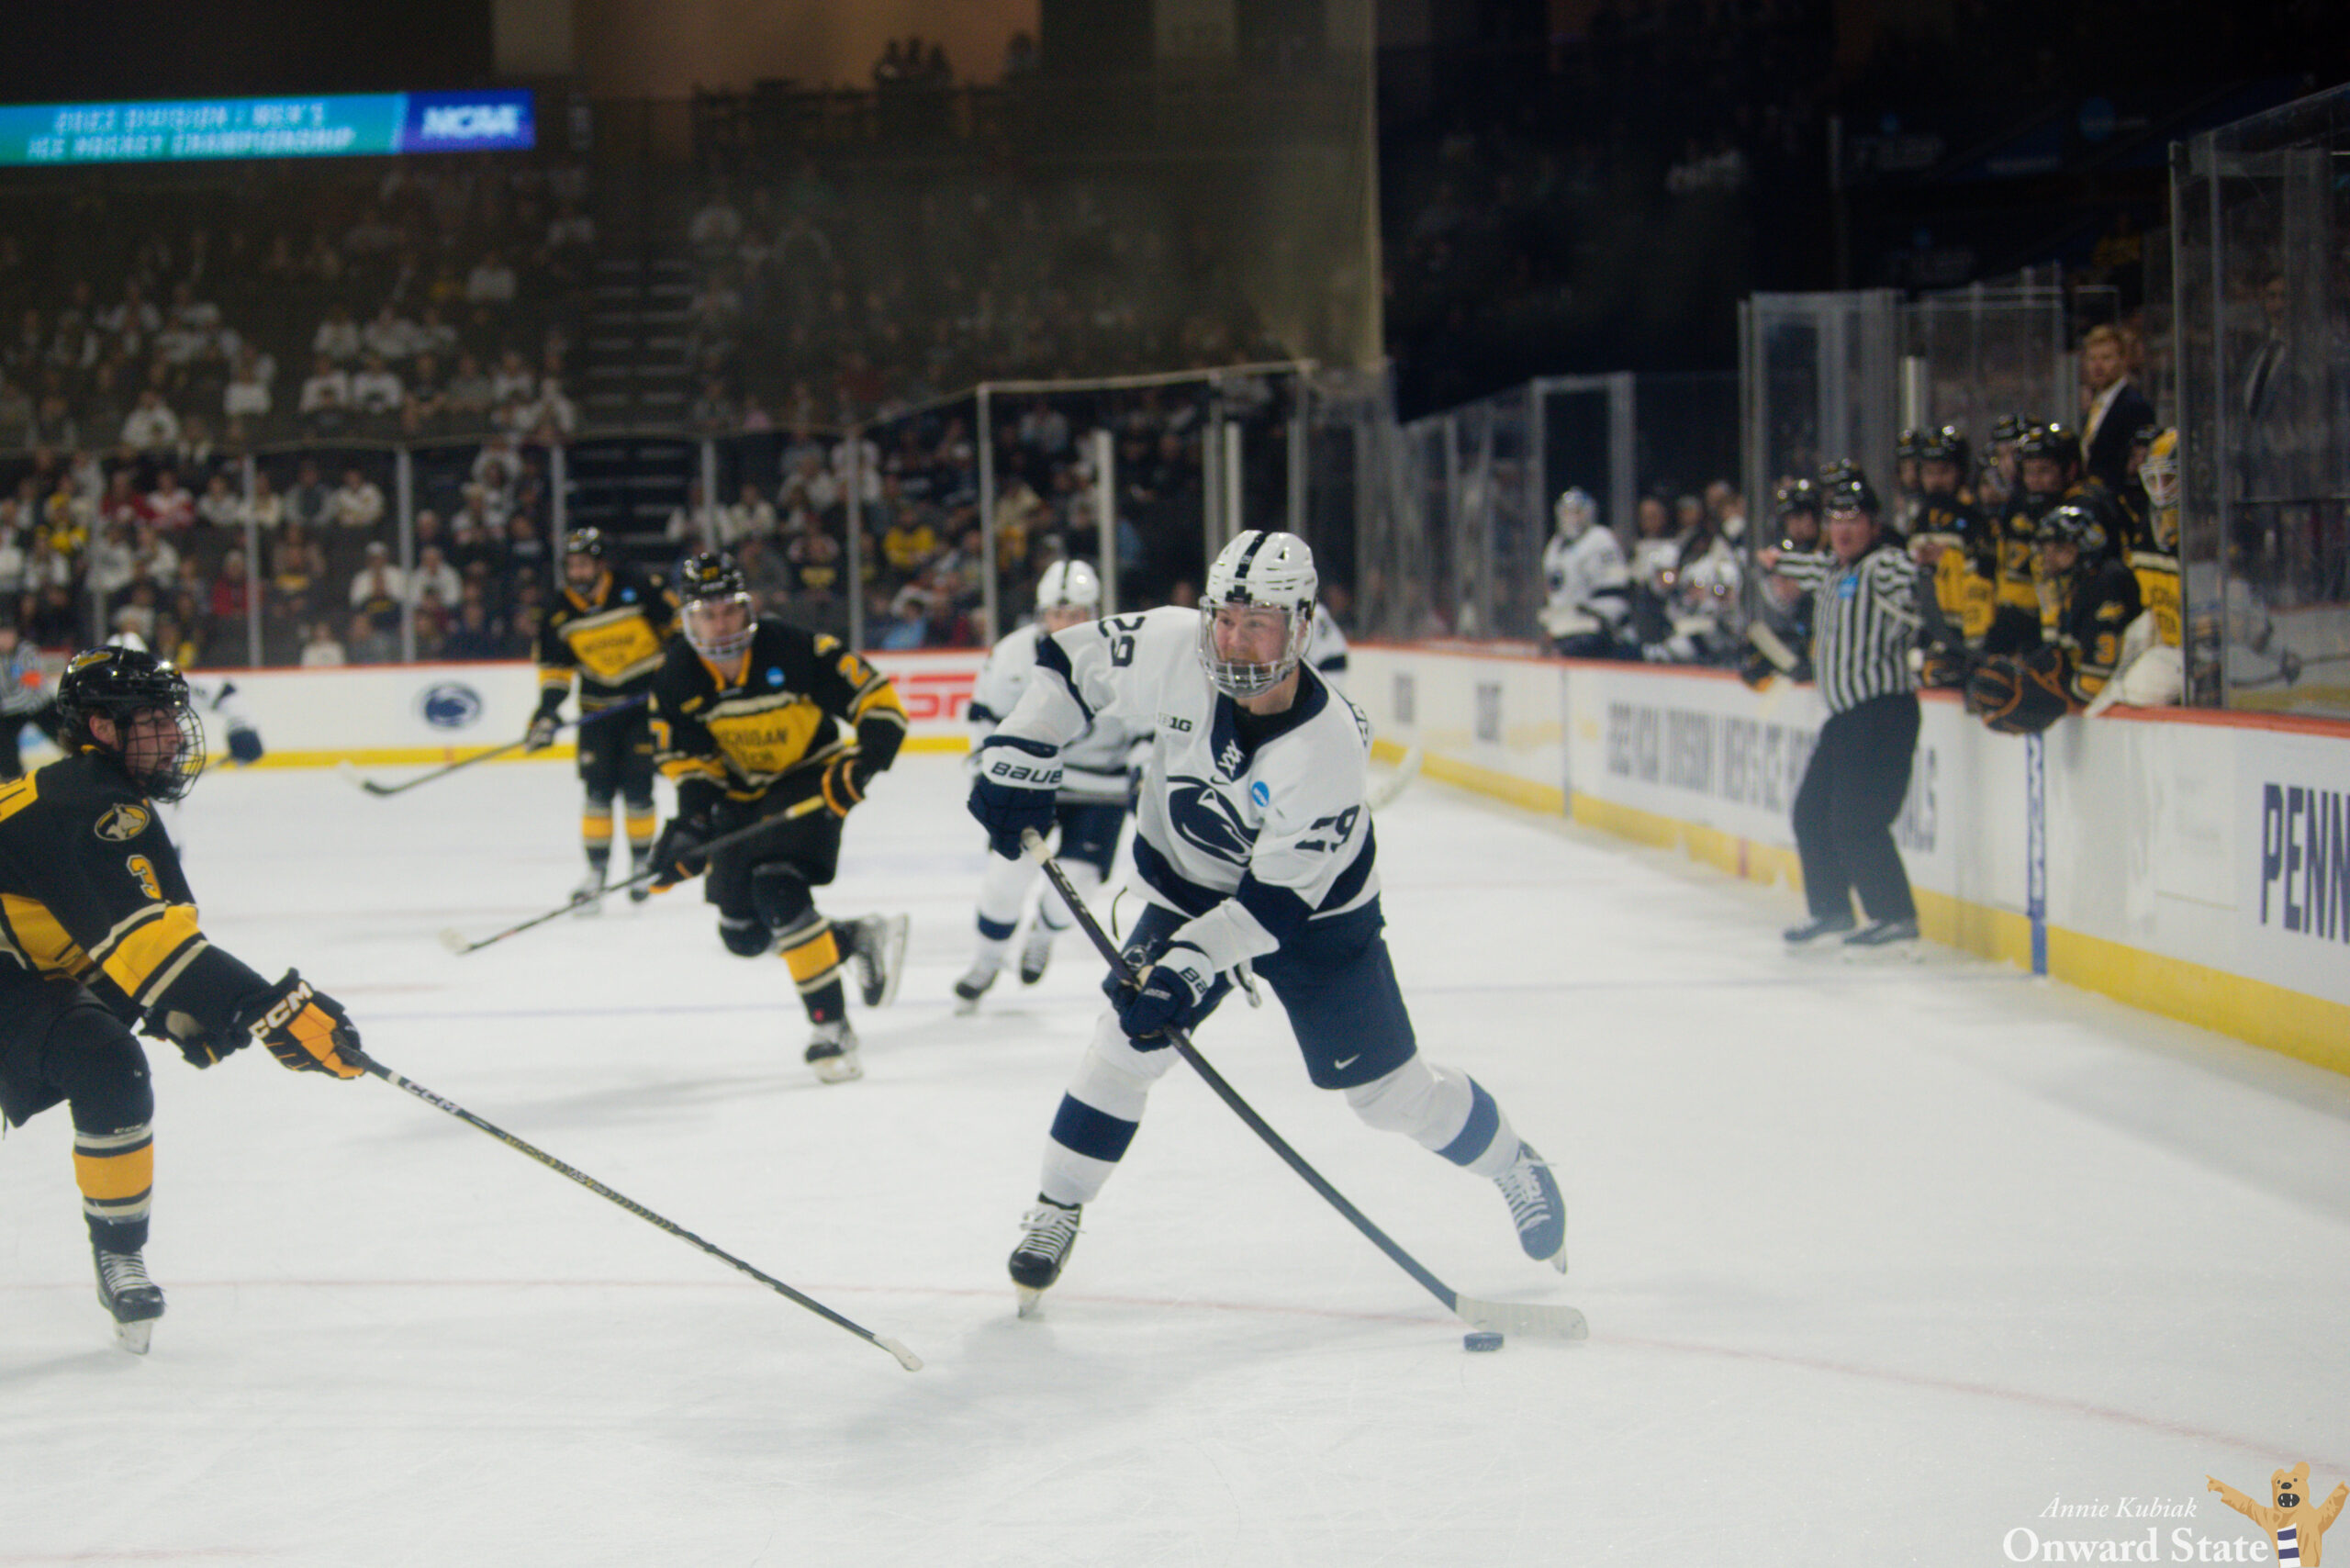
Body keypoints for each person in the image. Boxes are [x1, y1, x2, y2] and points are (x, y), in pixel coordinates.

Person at [968, 530, 1569, 1313]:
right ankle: (1057, 1208)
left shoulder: (1327, 746)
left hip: (1320, 919)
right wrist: (1023, 744)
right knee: (1121, 1049)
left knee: (1390, 1098)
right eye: (1226, 618)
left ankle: (1513, 1162)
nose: (1234, 640)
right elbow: (1066, 665)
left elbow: (1274, 908)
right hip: (1188, 887)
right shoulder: (1178, 644)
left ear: (1302, 627)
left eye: (1260, 623)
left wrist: (1185, 969)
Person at [0, 645, 364, 1353]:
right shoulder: (92, 803)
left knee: (107, 1060)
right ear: (103, 729)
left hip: (19, 975)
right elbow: (144, 942)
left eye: (174, 715)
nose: (175, 732)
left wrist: (173, 1004)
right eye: (156, 719)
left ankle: (118, 1255)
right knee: (102, 1053)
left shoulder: (98, 793)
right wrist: (268, 1004)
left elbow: (114, 942)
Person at [647, 552, 911, 1084]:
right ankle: (848, 939)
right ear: (688, 618)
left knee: (777, 889)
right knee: (742, 934)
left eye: (728, 611)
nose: (720, 624)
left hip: (811, 778)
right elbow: (690, 762)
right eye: (707, 614)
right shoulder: (677, 674)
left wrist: (862, 765)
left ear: (746, 608)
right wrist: (692, 826)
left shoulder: (792, 647)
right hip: (742, 792)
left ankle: (831, 1029)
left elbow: (877, 701)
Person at [955, 561, 1136, 1011]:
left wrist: (1141, 772)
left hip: (1101, 788)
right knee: (1005, 879)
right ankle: (987, 960)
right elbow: (985, 717)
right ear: (1042, 614)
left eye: (1078, 614)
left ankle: (1043, 934)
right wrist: (990, 768)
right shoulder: (1013, 654)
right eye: (1060, 614)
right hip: (1031, 784)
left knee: (1076, 886)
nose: (1069, 624)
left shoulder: (1128, 654)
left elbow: (1145, 727)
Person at [1758, 476, 1925, 954]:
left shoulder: (1881, 566)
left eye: (1854, 521)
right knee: (1811, 814)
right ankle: (1830, 910)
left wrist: (1925, 565)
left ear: (1874, 526)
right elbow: (1805, 568)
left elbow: (1908, 575)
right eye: (1836, 521)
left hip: (1881, 712)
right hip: (1846, 717)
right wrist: (1775, 561)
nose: (1844, 530)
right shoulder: (1833, 571)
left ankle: (1895, 917)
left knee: (1858, 820)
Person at [527, 529, 677, 910]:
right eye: (571, 565)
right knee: (597, 794)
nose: (576, 571)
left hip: (645, 708)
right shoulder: (558, 611)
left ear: (600, 564)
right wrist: (547, 710)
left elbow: (677, 630)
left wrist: (676, 676)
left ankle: (641, 865)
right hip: (597, 712)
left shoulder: (638, 587)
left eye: (583, 563)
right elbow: (556, 668)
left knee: (639, 790)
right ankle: (596, 872)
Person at [1964, 504, 2143, 734]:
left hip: (2125, 691)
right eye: (2046, 550)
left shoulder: (2104, 585)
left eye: (2060, 550)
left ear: (2087, 548)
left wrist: (2050, 694)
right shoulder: (2075, 586)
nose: (2049, 559)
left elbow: (2094, 683)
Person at [1539, 487, 1632, 658]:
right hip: (1560, 628)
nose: (1572, 518)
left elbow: (1614, 592)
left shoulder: (1600, 540)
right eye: (1567, 512)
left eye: (1578, 512)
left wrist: (1601, 623)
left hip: (1590, 629)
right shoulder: (1555, 545)